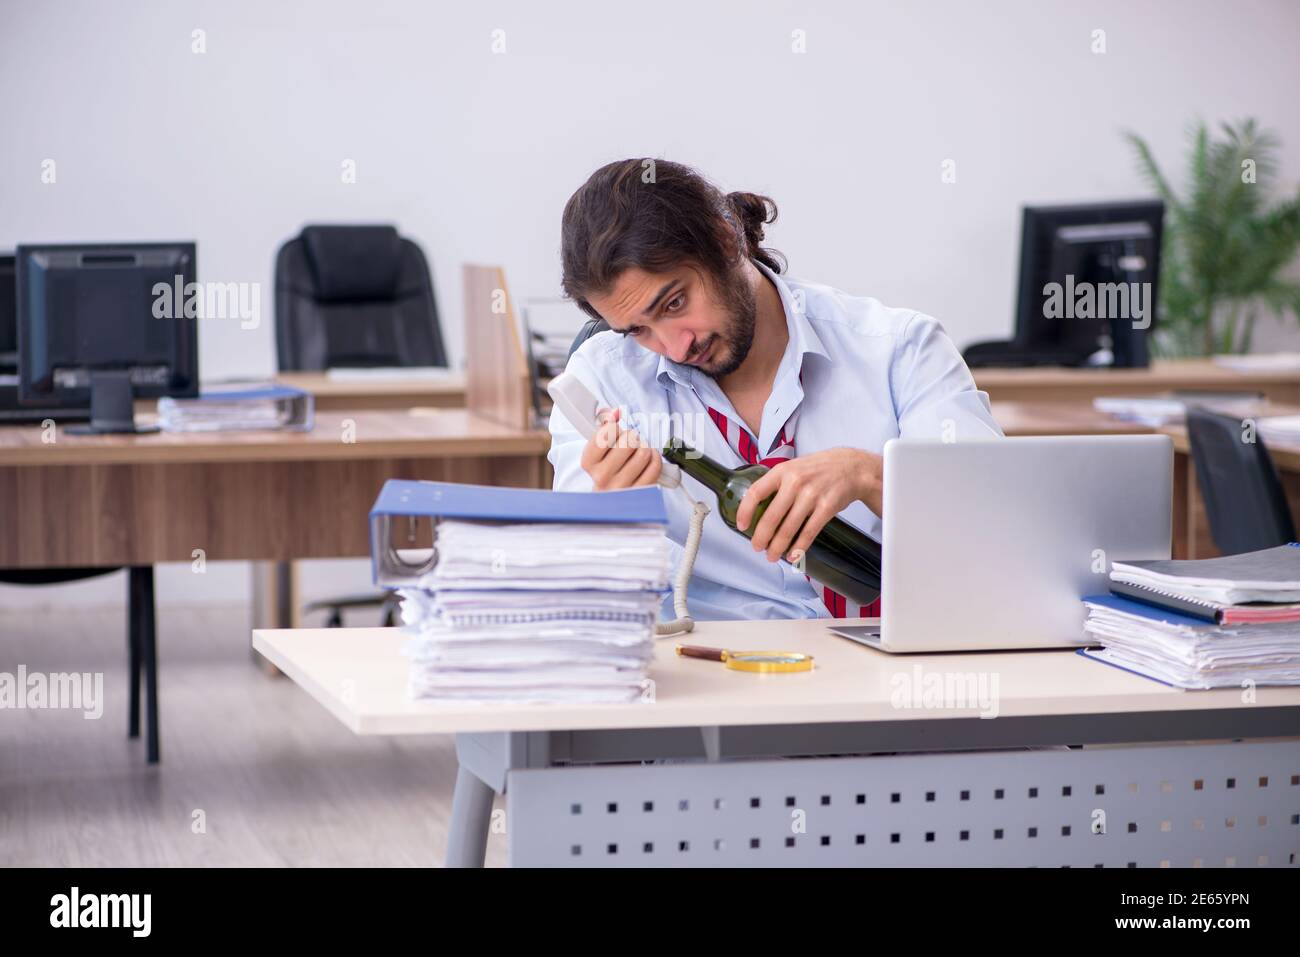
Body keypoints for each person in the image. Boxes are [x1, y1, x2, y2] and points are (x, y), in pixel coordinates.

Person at [548, 158, 1003, 620]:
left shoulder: (899, 348)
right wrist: (607, 514)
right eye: (638, 330)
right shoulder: (603, 383)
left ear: (727, 240)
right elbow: (568, 598)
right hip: (721, 674)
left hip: (896, 665)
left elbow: (1002, 524)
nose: (675, 346)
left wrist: (871, 475)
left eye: (675, 302)